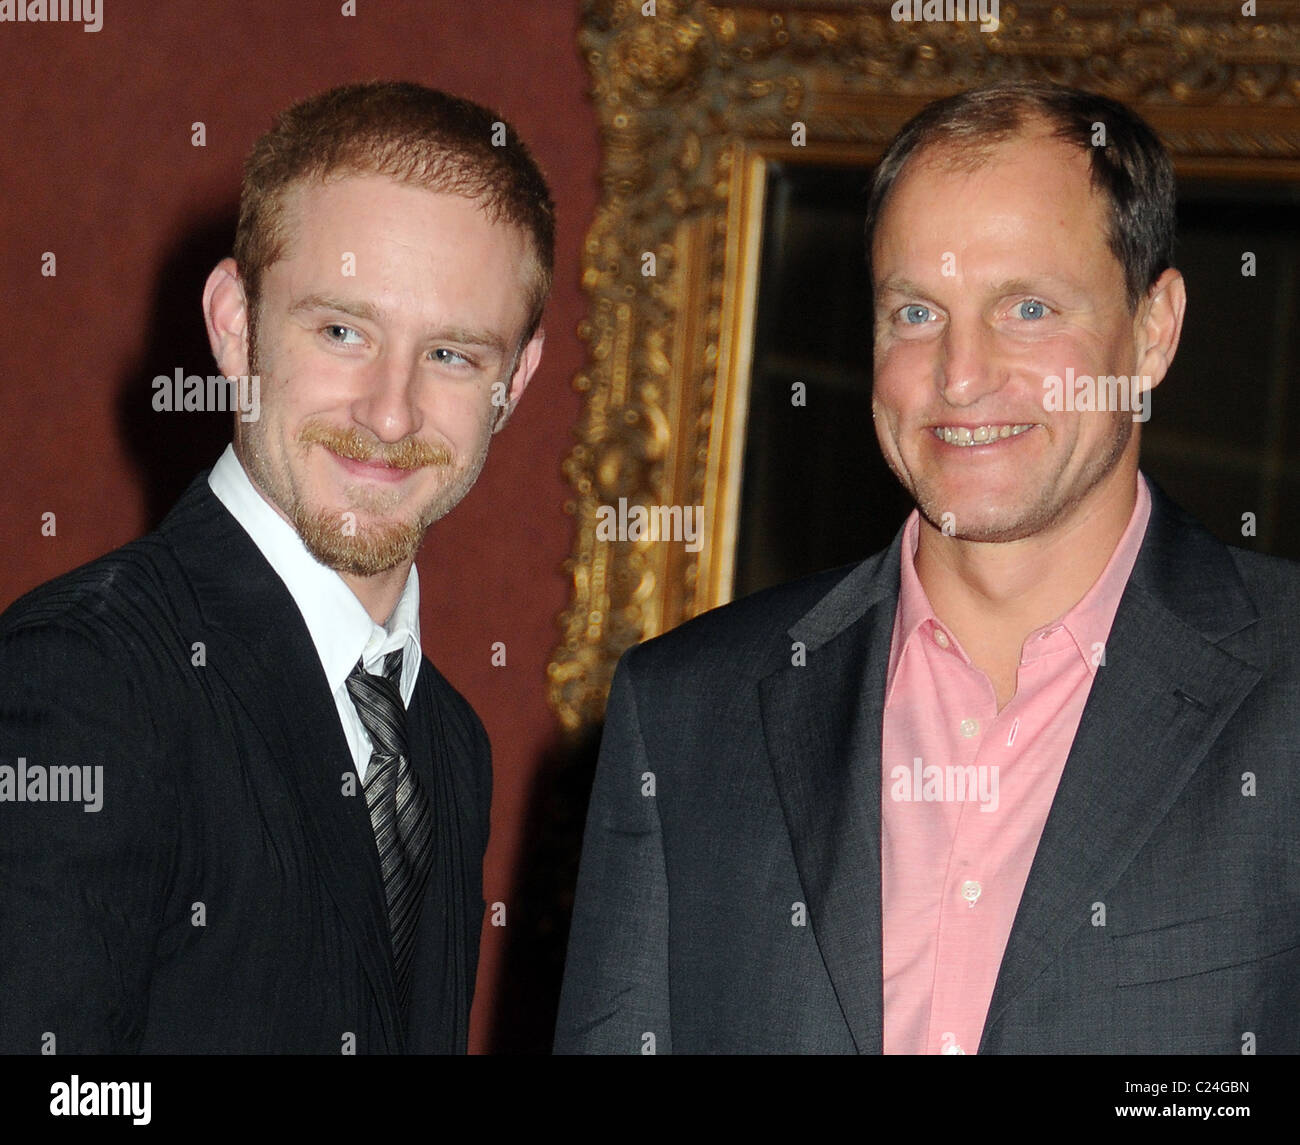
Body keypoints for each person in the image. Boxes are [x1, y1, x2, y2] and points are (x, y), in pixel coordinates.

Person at [555, 80, 1300, 1054]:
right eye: (915, 312)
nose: (959, 375)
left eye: (1026, 306)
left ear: (1151, 329)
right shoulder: (686, 708)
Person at [0, 81, 552, 1053]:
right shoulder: (81, 681)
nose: (390, 412)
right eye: (342, 331)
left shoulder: (448, 743)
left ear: (516, 381)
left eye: (453, 355)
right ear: (235, 325)